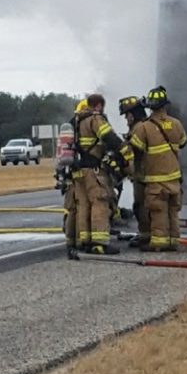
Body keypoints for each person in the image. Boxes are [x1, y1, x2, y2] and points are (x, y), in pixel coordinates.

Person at [129, 85, 187, 252]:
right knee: (173, 211)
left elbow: (136, 149)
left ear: (150, 106)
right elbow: (183, 143)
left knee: (158, 211)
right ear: (165, 105)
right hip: (174, 178)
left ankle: (159, 244)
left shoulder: (144, 127)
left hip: (156, 179)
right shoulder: (176, 124)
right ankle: (173, 242)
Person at [74, 93, 132, 255]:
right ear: (98, 105)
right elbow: (109, 137)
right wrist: (125, 151)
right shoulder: (95, 119)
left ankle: (85, 241)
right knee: (100, 202)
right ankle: (99, 243)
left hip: (80, 170)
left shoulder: (79, 121)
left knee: (84, 205)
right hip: (94, 170)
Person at [55, 99, 87, 259]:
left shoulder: (69, 127)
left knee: (71, 210)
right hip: (78, 176)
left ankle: (70, 241)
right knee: (80, 208)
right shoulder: (83, 128)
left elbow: (61, 157)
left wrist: (60, 176)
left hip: (67, 176)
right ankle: (80, 241)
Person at [118, 95, 150, 248]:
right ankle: (145, 234)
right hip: (142, 174)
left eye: (127, 115)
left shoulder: (139, 128)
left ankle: (146, 236)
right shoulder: (142, 126)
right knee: (141, 206)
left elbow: (133, 153)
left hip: (142, 175)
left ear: (134, 114)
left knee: (142, 206)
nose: (126, 119)